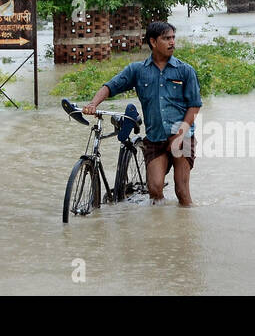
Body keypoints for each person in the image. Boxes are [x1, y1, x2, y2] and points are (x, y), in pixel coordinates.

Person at [83, 21, 201, 206]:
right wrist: (93, 104)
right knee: (154, 189)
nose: (172, 43)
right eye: (166, 38)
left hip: (182, 137)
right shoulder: (137, 70)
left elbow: (194, 106)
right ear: (153, 42)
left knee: (182, 191)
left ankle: (185, 231)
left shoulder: (185, 71)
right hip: (155, 138)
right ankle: (159, 229)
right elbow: (110, 86)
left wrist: (179, 134)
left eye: (173, 38)